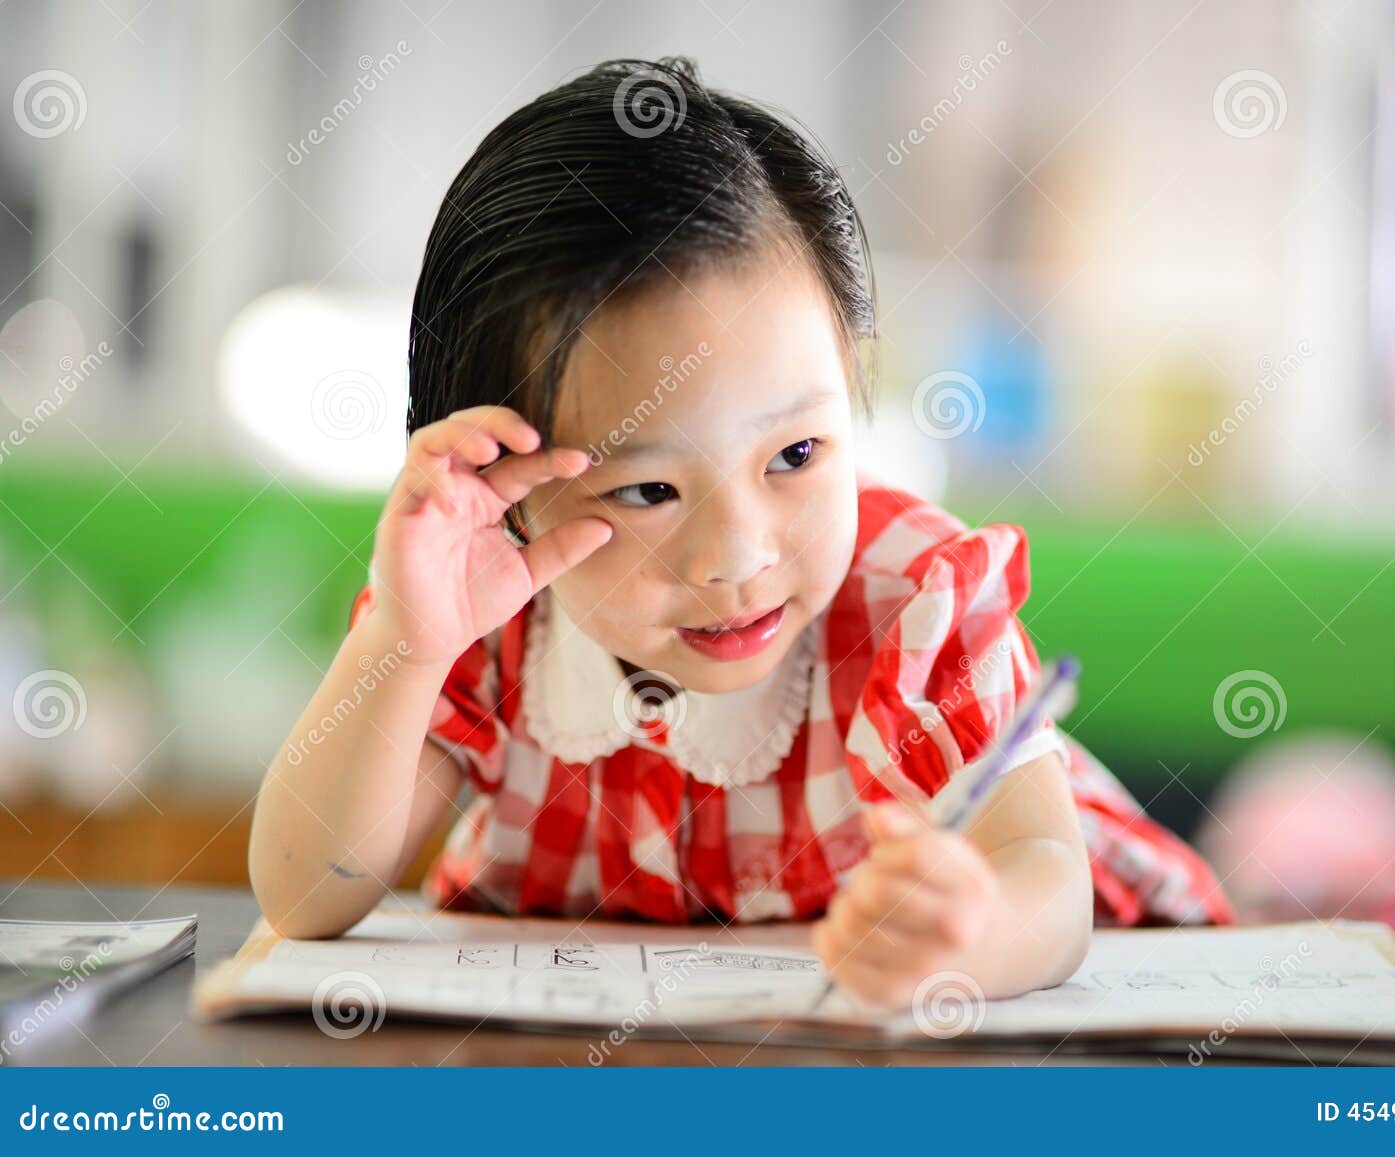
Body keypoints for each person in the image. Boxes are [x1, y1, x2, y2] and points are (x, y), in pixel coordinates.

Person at [248, 56, 1232, 1009]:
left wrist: (966, 935)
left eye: (796, 454)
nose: (738, 555)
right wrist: (405, 645)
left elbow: (1048, 883)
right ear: (506, 489)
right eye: (646, 491)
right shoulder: (485, 619)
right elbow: (305, 893)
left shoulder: (916, 606)